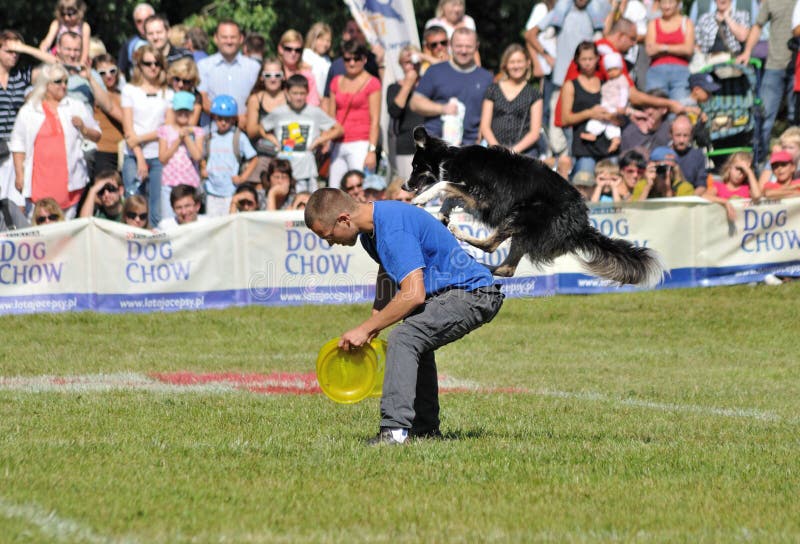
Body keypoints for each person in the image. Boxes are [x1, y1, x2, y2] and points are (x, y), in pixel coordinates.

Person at [304, 188, 504, 444]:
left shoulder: (392, 228)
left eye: (328, 236)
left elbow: (414, 294)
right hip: (452, 293)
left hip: (473, 293)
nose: (330, 242)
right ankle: (425, 430)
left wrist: (365, 328)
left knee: (405, 337)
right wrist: (376, 317)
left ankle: (395, 432)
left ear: (344, 219)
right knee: (414, 337)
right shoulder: (371, 230)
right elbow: (388, 269)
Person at [10, 63, 100, 218]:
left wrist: (84, 129)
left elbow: (97, 135)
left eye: (66, 81)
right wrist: (19, 173)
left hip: (69, 179)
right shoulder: (29, 110)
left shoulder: (75, 105)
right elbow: (18, 143)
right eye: (58, 81)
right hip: (39, 179)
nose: (64, 86)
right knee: (40, 226)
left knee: (66, 227)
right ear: (46, 84)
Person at [736, 0, 798, 164]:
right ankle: (759, 162)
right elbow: (757, 26)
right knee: (764, 116)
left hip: (797, 66)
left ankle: (795, 165)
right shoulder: (771, 2)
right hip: (774, 66)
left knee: (795, 117)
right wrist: (747, 52)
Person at [410, 28, 493, 146]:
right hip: (435, 146)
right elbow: (415, 103)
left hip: (471, 148)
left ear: (476, 46)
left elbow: (490, 114)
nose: (463, 51)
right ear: (450, 45)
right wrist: (442, 108)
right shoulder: (435, 71)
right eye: (459, 46)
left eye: (468, 46)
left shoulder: (486, 77)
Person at [261, 74, 343, 193]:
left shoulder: (314, 112)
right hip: (283, 171)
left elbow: (339, 129)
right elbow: (261, 128)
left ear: (307, 93)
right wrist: (273, 140)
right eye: (295, 93)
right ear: (287, 92)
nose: (298, 97)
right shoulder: (279, 112)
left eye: (302, 93)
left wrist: (319, 140)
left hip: (307, 170)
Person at [1, 31, 55, 208]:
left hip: (16, 146)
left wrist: (23, 47)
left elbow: (54, 64)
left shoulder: (21, 75)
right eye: (9, 50)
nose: (14, 55)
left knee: (17, 201)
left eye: (17, 52)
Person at [121, 44, 173, 226]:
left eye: (157, 63)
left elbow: (167, 128)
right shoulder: (129, 90)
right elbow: (128, 130)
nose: (153, 67)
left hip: (159, 156)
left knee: (156, 211)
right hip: (133, 156)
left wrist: (141, 138)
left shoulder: (168, 93)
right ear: (139, 65)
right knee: (132, 207)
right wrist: (140, 157)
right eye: (148, 63)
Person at [325, 40, 381, 189]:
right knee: (334, 191)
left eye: (356, 59)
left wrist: (372, 151)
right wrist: (326, 141)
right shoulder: (336, 81)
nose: (351, 63)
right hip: (338, 143)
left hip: (361, 143)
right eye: (347, 59)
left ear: (364, 59)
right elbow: (330, 117)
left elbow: (375, 121)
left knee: (360, 191)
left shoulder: (373, 83)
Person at [560, 41, 616, 179]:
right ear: (577, 61)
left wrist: (610, 115)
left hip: (606, 146)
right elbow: (565, 119)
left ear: (597, 59)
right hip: (584, 148)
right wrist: (590, 113)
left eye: (590, 59)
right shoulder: (571, 85)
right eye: (583, 59)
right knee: (585, 182)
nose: (587, 63)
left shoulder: (606, 84)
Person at [479, 44, 543, 156]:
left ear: (527, 63)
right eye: (512, 62)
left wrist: (512, 152)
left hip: (524, 152)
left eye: (519, 61)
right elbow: (485, 126)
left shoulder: (534, 94)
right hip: (494, 150)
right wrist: (498, 150)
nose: (516, 66)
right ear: (505, 65)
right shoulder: (493, 90)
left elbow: (534, 133)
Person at [197, 20, 261, 129]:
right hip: (212, 133)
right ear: (216, 38)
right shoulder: (203, 66)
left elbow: (259, 99)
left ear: (241, 39)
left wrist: (248, 118)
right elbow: (203, 101)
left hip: (244, 131)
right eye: (224, 37)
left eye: (233, 37)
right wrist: (231, 119)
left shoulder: (254, 67)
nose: (229, 41)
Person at [202, 95, 258, 217]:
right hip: (211, 190)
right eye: (220, 118)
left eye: (227, 119)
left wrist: (243, 178)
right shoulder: (209, 137)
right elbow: (203, 156)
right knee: (213, 224)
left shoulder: (239, 137)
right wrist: (203, 169)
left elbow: (254, 158)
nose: (223, 122)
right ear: (214, 117)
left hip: (230, 191)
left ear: (233, 119)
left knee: (229, 222)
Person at [158, 91, 204, 220]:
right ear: (174, 111)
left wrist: (187, 137)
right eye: (179, 111)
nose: (183, 114)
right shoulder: (164, 131)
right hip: (169, 183)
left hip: (190, 183)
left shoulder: (198, 132)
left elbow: (197, 156)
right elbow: (162, 158)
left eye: (186, 111)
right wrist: (178, 140)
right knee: (168, 220)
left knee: (190, 220)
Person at [244, 56, 286, 185]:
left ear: (283, 76)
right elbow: (251, 131)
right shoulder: (255, 99)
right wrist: (269, 123)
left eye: (277, 75)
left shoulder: (290, 98)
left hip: (285, 155)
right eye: (268, 75)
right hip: (261, 155)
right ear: (262, 77)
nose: (273, 79)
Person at [386, 45, 425, 180]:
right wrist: (408, 84)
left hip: (430, 147)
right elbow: (395, 111)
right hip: (407, 148)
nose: (412, 66)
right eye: (407, 63)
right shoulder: (394, 88)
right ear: (401, 65)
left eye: (415, 62)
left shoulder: (429, 84)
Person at [644, 0, 694, 101]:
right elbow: (650, 50)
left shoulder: (686, 22)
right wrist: (678, 48)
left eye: (670, 3)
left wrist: (662, 48)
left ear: (677, 4)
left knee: (681, 105)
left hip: (681, 73)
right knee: (655, 106)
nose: (667, 6)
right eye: (663, 3)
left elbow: (688, 49)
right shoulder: (653, 23)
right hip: (656, 72)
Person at [581, 51, 627, 153]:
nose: (612, 72)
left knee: (613, 125)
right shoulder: (608, 82)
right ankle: (592, 133)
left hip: (615, 107)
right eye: (609, 70)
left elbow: (624, 94)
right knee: (597, 120)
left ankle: (615, 139)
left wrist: (622, 106)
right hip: (606, 105)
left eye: (615, 69)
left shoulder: (622, 80)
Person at [703, 151, 760, 220]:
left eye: (743, 171)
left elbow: (757, 196)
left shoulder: (747, 188)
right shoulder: (719, 186)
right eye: (737, 169)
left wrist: (749, 171)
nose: (740, 173)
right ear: (729, 167)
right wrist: (725, 202)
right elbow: (705, 196)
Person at [91, 54, 124, 174]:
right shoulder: (97, 94)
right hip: (103, 151)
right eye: (102, 73)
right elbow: (122, 117)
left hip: (123, 152)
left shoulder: (123, 93)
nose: (109, 76)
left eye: (112, 71)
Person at [424, 0, 481, 64]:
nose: (457, 9)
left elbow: (475, 50)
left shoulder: (469, 21)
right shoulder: (433, 23)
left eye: (460, 5)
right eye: (453, 5)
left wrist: (478, 70)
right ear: (443, 6)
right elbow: (427, 51)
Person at [619, 89, 672, 157]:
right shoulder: (630, 132)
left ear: (664, 110)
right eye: (646, 107)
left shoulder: (670, 130)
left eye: (654, 107)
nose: (649, 111)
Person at [39, 0, 92, 66]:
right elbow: (48, 41)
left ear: (79, 12)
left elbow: (85, 50)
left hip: (76, 59)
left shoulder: (84, 27)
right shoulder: (57, 23)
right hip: (58, 58)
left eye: (70, 14)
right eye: (63, 14)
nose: (66, 17)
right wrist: (44, 47)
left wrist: (80, 65)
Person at [631, 145, 696, 199]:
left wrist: (667, 192)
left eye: (670, 168)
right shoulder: (642, 185)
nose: (666, 172)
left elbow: (681, 213)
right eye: (662, 168)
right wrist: (647, 188)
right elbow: (635, 211)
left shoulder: (685, 188)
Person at [277, 29, 321, 107]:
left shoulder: (307, 76)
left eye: (298, 50)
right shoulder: (272, 72)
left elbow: (313, 105)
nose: (293, 53)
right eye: (289, 49)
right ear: (280, 49)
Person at [670, 113, 707, 194]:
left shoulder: (698, 155)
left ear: (691, 136)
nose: (681, 140)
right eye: (678, 135)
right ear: (671, 135)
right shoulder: (663, 154)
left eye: (685, 136)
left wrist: (690, 198)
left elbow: (702, 185)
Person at [118, 3, 155, 79]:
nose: (143, 24)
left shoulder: (162, 41)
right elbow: (121, 71)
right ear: (135, 24)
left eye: (147, 19)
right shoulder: (129, 44)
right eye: (139, 21)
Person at [166, 57, 202, 126]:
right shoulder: (166, 92)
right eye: (177, 79)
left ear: (192, 82)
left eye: (186, 81)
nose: (180, 85)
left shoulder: (196, 97)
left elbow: (191, 124)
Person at [302, 22, 333, 98]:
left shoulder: (327, 59)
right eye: (321, 40)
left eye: (328, 41)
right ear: (314, 39)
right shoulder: (307, 55)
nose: (325, 44)